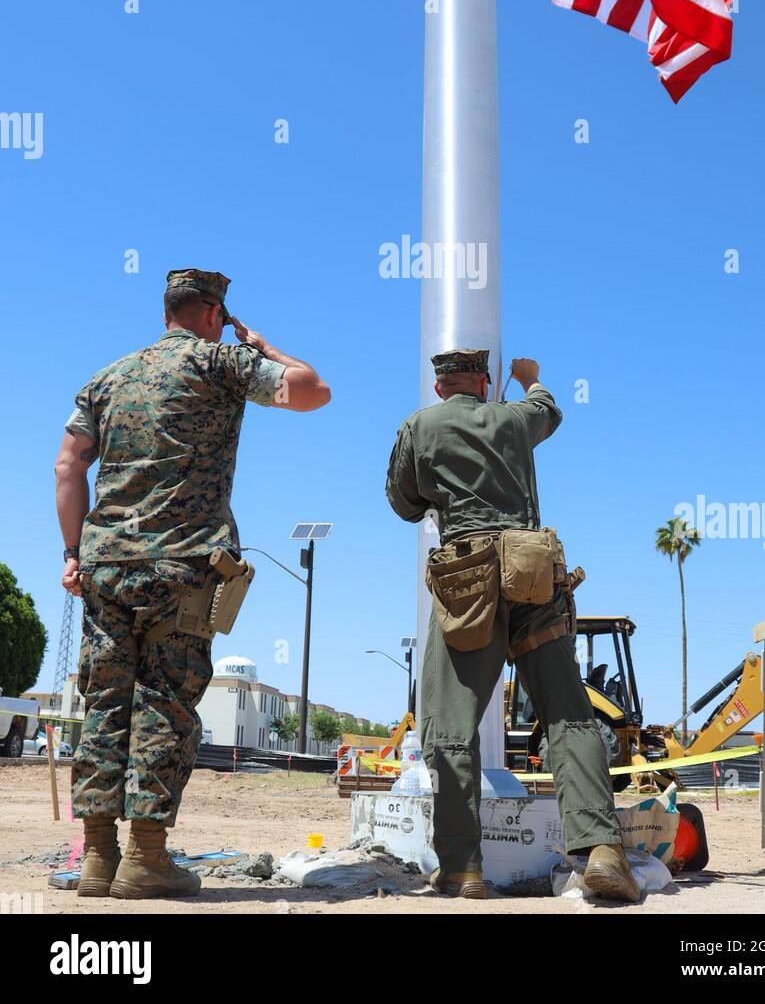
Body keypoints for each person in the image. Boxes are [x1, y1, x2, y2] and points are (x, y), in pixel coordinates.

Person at [55, 268, 330, 899]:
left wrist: (73, 552)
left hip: (105, 567)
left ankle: (97, 856)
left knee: (104, 703)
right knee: (165, 702)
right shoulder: (220, 363)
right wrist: (262, 347)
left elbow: (68, 464)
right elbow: (314, 391)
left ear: (165, 313)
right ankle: (146, 858)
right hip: (183, 566)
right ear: (214, 313)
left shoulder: (108, 377)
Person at [386, 350, 639, 903]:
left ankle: (463, 867)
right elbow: (547, 408)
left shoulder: (419, 425)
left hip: (467, 582)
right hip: (532, 572)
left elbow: (403, 503)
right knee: (568, 715)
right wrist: (529, 377)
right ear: (483, 382)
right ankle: (601, 852)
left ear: (437, 384)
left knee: (451, 724)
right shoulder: (514, 418)